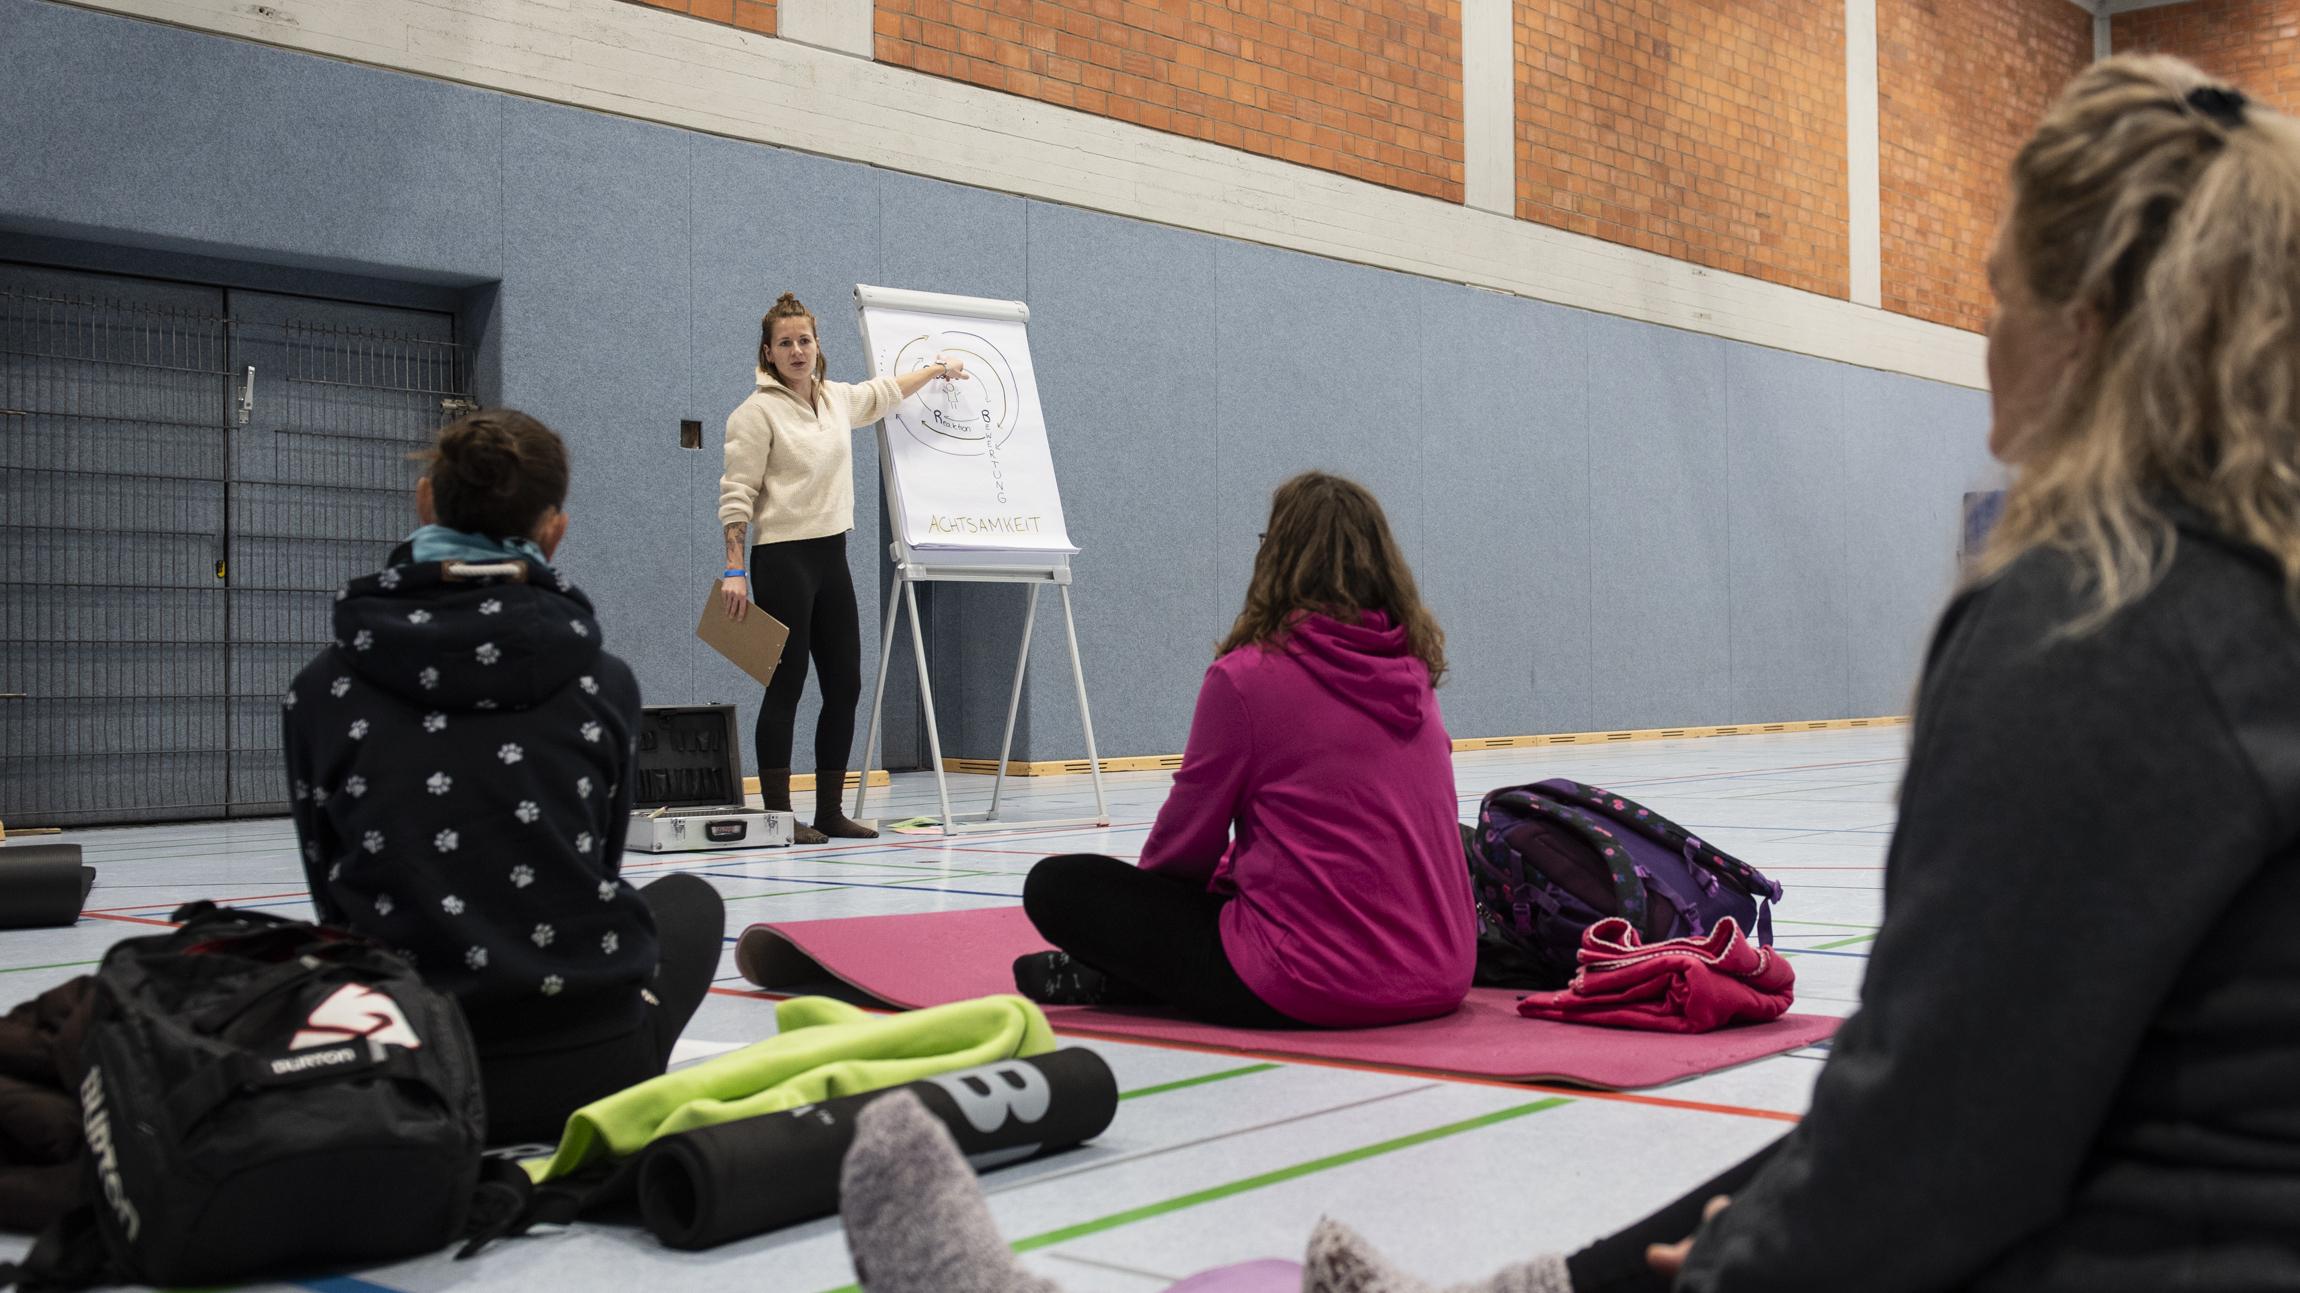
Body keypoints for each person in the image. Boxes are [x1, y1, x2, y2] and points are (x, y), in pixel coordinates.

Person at [836, 54, 2300, 1293]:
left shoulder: (2098, 621)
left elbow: (1949, 1132)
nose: (1981, 338)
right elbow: (1983, 1086)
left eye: (1998, 295)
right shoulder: (2249, 601)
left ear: (2088, 323)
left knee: (1788, 1191)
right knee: (1770, 1167)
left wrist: (1741, 1265)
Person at [284, 409, 725, 1146]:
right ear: (554, 530)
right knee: (690, 902)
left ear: (426, 502)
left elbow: (329, 884)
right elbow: (596, 862)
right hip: (591, 1069)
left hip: (407, 1075)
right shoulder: (604, 682)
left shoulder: (322, 687)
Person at [1011, 471, 1474, 1029]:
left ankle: (1119, 978)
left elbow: (1182, 852)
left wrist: (1137, 935)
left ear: (1275, 557)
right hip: (1442, 973)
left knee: (1059, 887)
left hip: (1308, 981)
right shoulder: (1412, 672)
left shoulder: (1248, 678)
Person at [717, 292, 970, 844]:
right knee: (786, 684)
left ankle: (829, 811)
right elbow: (737, 493)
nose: (797, 349)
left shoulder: (834, 400)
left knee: (846, 684)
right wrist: (734, 567)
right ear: (768, 352)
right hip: (782, 558)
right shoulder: (754, 413)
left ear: (817, 345)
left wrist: (938, 368)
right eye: (785, 342)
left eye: (804, 339)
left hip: (832, 557)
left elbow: (883, 393)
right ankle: (781, 818)